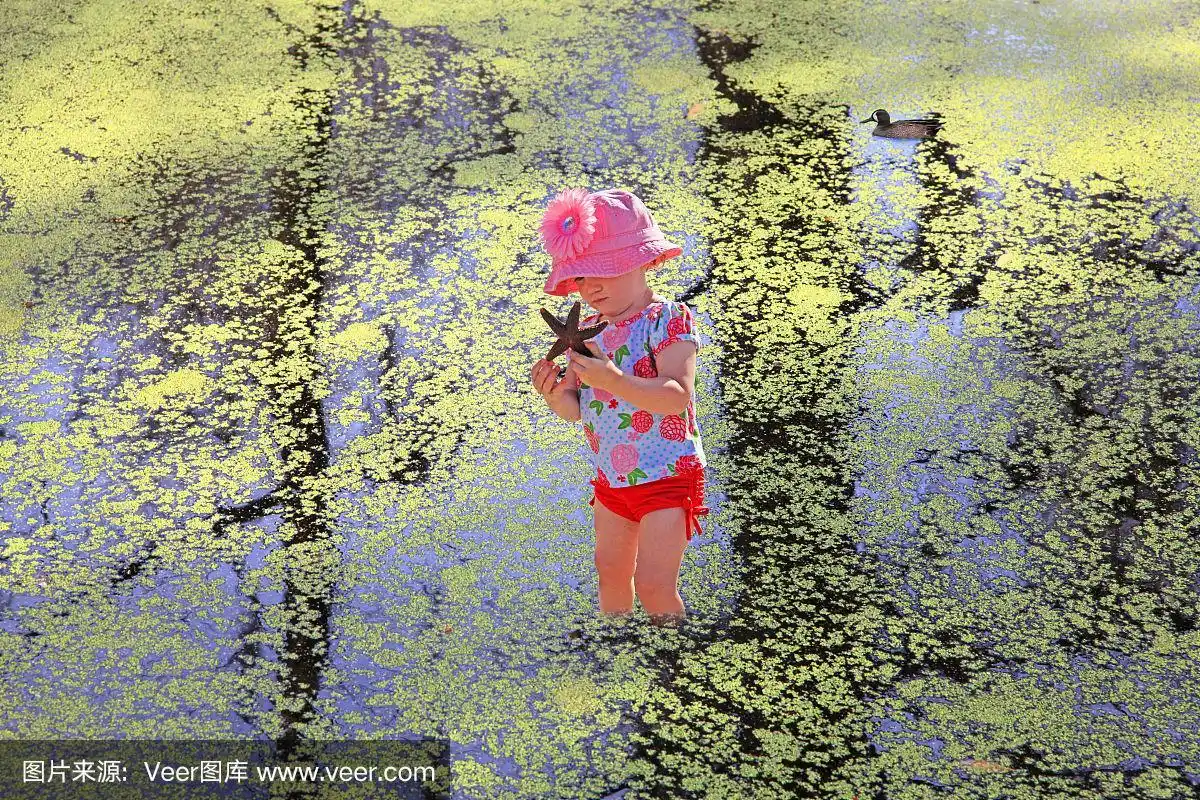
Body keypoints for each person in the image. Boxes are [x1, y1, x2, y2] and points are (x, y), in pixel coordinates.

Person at [529, 187, 709, 627]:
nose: (589, 289)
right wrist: (555, 394)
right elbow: (578, 409)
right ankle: (618, 653)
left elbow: (676, 396)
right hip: (612, 478)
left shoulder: (667, 319)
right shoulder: (587, 330)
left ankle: (673, 662)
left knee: (653, 584)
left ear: (643, 261)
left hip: (668, 476)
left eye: (600, 272)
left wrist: (612, 378)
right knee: (610, 575)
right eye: (580, 278)